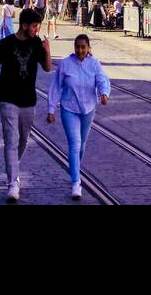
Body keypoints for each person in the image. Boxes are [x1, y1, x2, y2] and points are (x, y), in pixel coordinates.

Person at [0, 8, 52, 201]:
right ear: (24, 25)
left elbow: (47, 67)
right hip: (8, 98)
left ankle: (12, 166)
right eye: (34, 26)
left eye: (38, 26)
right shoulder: (6, 43)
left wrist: (47, 50)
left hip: (28, 100)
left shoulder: (36, 43)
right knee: (11, 140)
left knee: (23, 140)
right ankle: (13, 183)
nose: (37, 29)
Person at [47, 33, 110, 200]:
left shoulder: (94, 64)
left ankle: (75, 167)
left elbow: (102, 80)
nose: (80, 50)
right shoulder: (65, 64)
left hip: (88, 109)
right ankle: (76, 183)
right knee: (74, 144)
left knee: (81, 145)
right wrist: (51, 109)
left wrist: (104, 94)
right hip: (69, 108)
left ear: (88, 48)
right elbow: (56, 86)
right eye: (77, 47)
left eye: (83, 47)